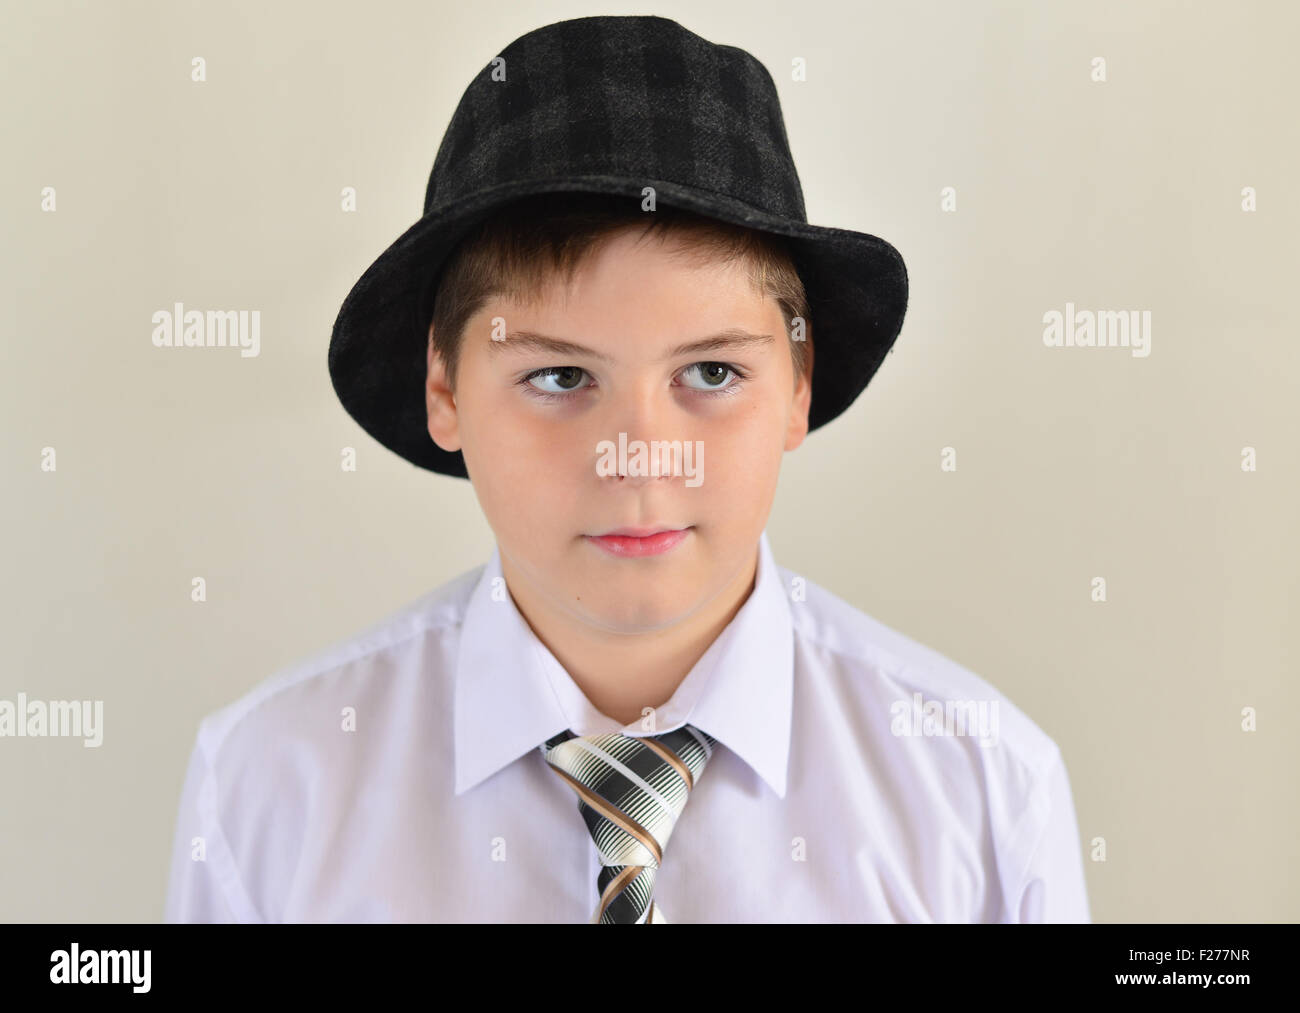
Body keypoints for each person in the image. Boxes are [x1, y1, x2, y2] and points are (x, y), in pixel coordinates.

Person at [165, 14, 1090, 924]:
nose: (639, 456)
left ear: (798, 387)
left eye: (712, 372)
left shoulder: (985, 790)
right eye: (560, 375)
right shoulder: (269, 787)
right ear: (444, 389)